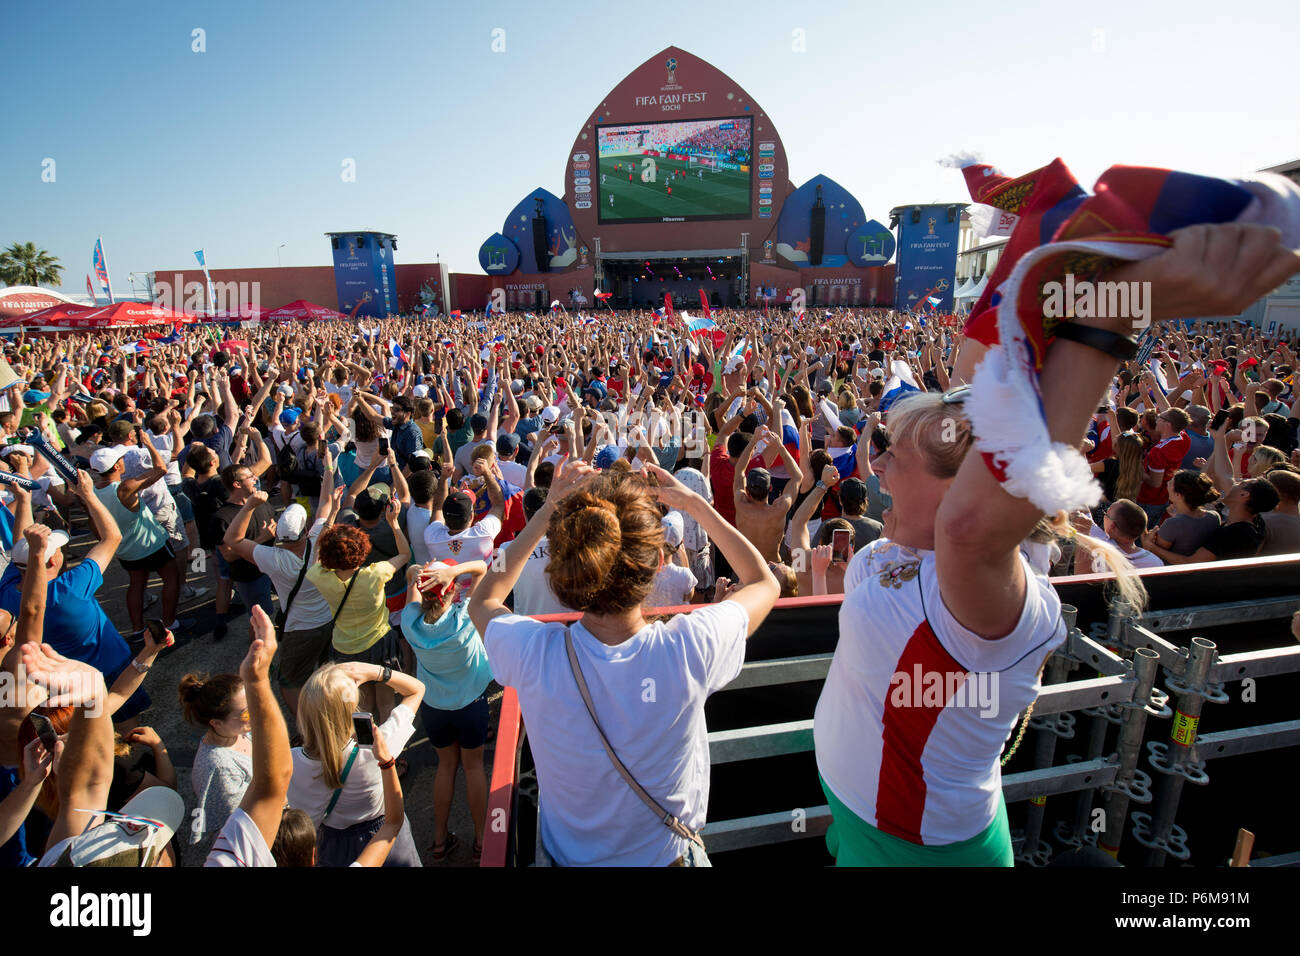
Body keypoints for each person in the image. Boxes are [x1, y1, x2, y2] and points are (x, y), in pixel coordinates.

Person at [812, 221, 1299, 867]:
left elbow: (975, 519)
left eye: (888, 451)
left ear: (965, 493)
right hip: (856, 811)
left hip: (916, 846)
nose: (875, 465)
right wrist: (1028, 264)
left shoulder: (982, 587)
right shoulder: (888, 552)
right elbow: (968, 390)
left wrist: (1121, 302)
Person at [469, 461, 780, 866]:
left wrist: (546, 512)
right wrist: (698, 507)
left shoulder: (534, 652)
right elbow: (763, 582)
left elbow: (483, 600)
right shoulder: (689, 645)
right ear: (655, 563)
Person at [286, 662, 425, 867]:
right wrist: (376, 672)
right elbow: (416, 689)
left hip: (332, 846)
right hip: (385, 837)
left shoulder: (289, 761)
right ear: (351, 711)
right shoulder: (378, 748)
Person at [402, 559, 493, 863]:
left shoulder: (410, 621)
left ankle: (440, 839)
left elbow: (411, 584)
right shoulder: (467, 615)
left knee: (445, 767)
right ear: (452, 588)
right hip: (471, 705)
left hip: (435, 707)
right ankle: (481, 840)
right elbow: (482, 567)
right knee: (473, 767)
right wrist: (453, 570)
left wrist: (417, 574)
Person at [307, 519, 409, 719]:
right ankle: (388, 744)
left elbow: (316, 559)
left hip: (344, 647)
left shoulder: (320, 577)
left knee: (362, 702)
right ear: (362, 551)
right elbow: (405, 554)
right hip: (379, 643)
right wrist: (394, 522)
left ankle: (365, 742)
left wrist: (330, 521)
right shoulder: (375, 574)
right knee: (386, 699)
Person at [89, 437, 180, 641]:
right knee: (171, 578)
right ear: (117, 466)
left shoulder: (91, 494)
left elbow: (94, 527)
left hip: (126, 551)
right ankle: (169, 622)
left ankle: (137, 629)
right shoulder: (125, 487)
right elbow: (161, 469)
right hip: (153, 544)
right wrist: (148, 444)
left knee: (136, 585)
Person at [180, 671, 251, 857]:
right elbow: (242, 821)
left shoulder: (238, 731)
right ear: (216, 723)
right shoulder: (219, 768)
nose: (256, 712)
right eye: (246, 713)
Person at [1146, 477, 1279, 564]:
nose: (1235, 483)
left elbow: (1191, 563)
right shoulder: (1255, 523)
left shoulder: (1236, 534)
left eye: (1241, 483)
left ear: (1244, 495)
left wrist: (1151, 547)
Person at [1140, 470, 1222, 558]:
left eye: (1171, 482)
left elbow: (1154, 555)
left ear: (1178, 495)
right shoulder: (1214, 516)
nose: (1167, 483)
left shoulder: (1172, 524)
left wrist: (1145, 538)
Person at [1070, 500, 1165, 572]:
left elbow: (1080, 580)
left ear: (1112, 526)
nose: (1104, 516)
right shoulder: (1156, 563)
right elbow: (1085, 515)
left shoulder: (1101, 548)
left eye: (1106, 513)